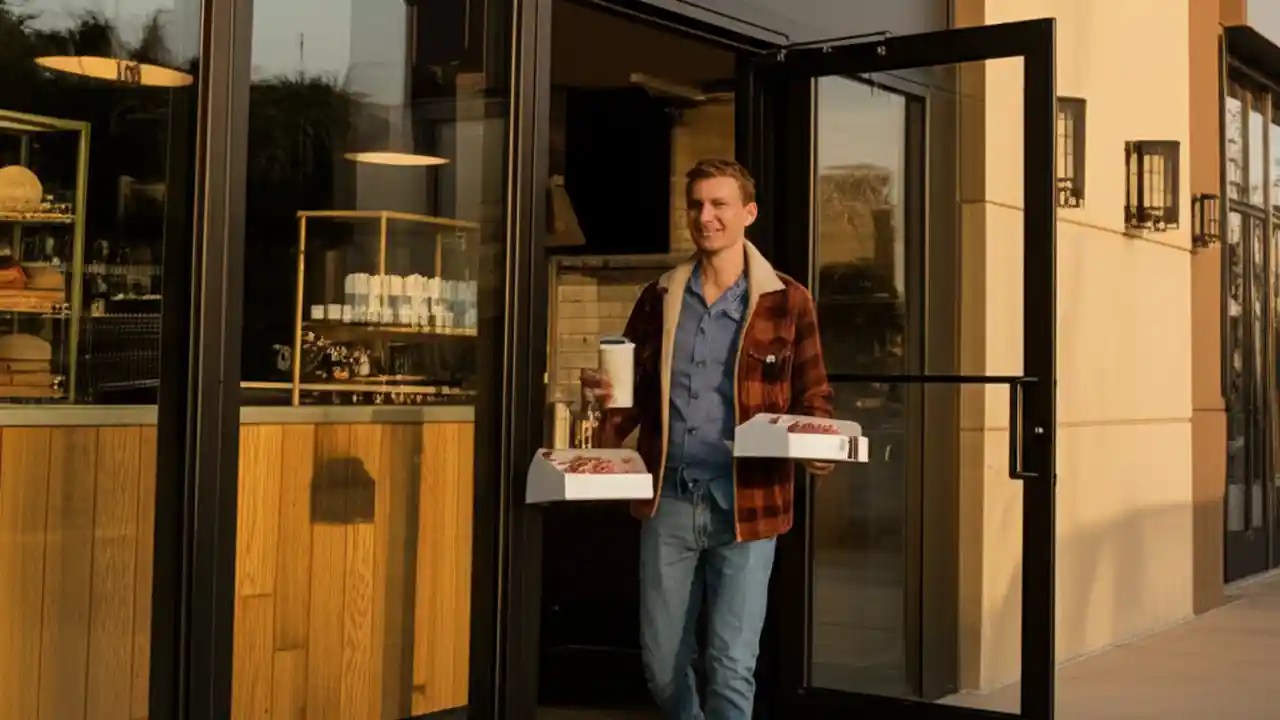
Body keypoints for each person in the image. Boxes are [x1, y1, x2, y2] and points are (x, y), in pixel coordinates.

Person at [581, 157, 834, 719]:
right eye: (696, 204)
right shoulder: (659, 297)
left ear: (748, 212)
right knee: (661, 665)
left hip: (749, 504)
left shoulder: (788, 301)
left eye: (719, 204)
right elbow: (630, 395)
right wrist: (603, 407)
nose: (706, 216)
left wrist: (819, 452)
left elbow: (814, 398)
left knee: (730, 665)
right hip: (668, 499)